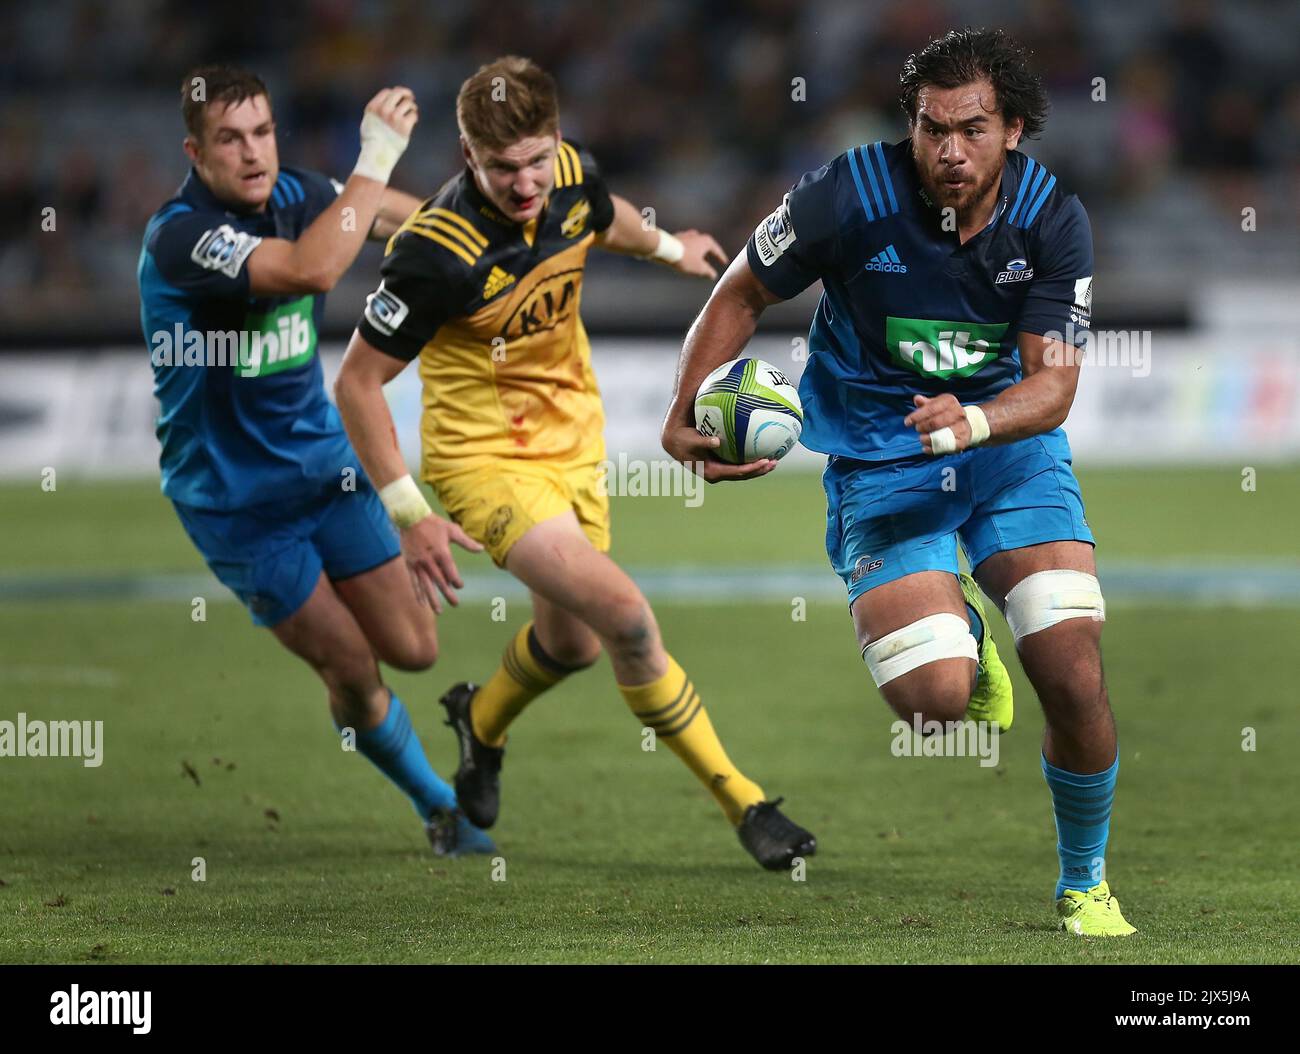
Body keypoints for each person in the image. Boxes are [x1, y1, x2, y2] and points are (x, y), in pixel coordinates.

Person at [662, 29, 1135, 934]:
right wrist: (682, 410)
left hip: (1007, 452)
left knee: (1071, 669)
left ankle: (1085, 881)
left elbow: (1056, 383)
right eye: (931, 130)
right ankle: (958, 621)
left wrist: (976, 420)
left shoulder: (1052, 220)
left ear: (1017, 130)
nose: (950, 152)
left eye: (973, 130)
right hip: (881, 456)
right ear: (909, 128)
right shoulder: (845, 193)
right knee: (935, 702)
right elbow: (740, 291)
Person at [335, 55, 815, 871]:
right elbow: (356, 385)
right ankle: (747, 803)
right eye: (500, 168)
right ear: (465, 155)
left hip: (575, 440)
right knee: (624, 617)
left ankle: (479, 722)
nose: (525, 184)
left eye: (533, 160)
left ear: (554, 140)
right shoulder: (432, 254)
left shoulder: (569, 175)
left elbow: (606, 217)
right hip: (482, 460)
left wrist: (669, 245)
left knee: (573, 645)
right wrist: (409, 514)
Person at [138, 64, 492, 857]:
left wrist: (491, 230)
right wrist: (376, 158)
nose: (253, 153)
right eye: (230, 139)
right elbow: (311, 269)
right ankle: (437, 805)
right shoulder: (182, 236)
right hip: (236, 505)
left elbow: (407, 221)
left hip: (325, 472)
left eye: (262, 131)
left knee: (417, 649)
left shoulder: (301, 194)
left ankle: (370, 708)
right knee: (356, 669)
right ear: (195, 152)